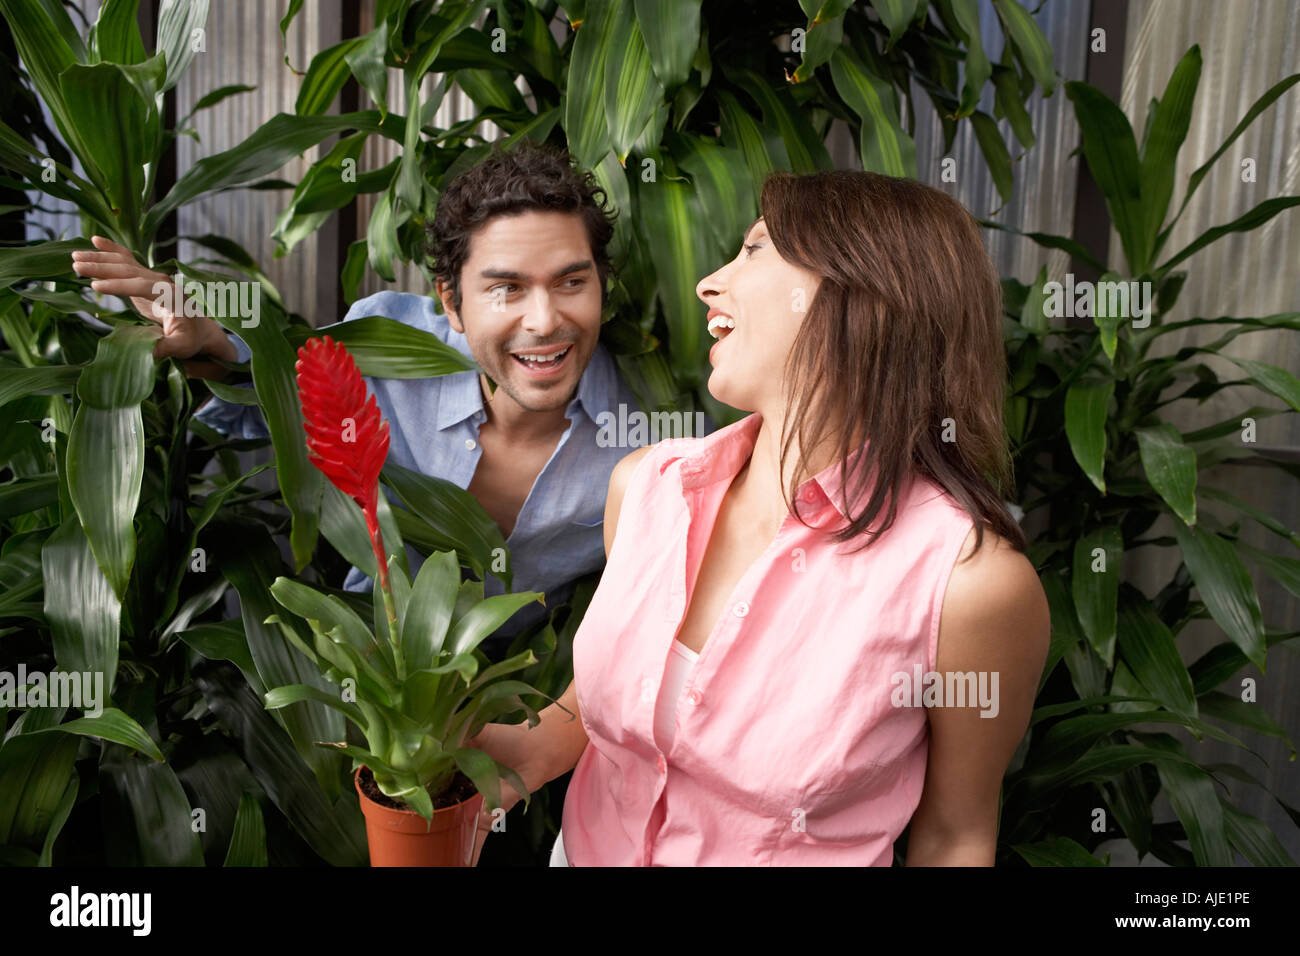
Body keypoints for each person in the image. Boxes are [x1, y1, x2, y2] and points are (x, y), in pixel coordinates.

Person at [469, 169, 1051, 866]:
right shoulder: (648, 486)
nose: (707, 284)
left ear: (860, 294)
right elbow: (627, 703)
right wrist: (520, 752)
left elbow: (954, 839)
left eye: (754, 249)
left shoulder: (970, 586)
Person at [70, 142, 659, 661]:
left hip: (539, 682)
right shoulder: (387, 348)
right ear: (451, 304)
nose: (544, 320)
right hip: (375, 668)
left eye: (570, 282)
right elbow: (277, 401)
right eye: (506, 288)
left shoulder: (651, 425)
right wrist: (210, 339)